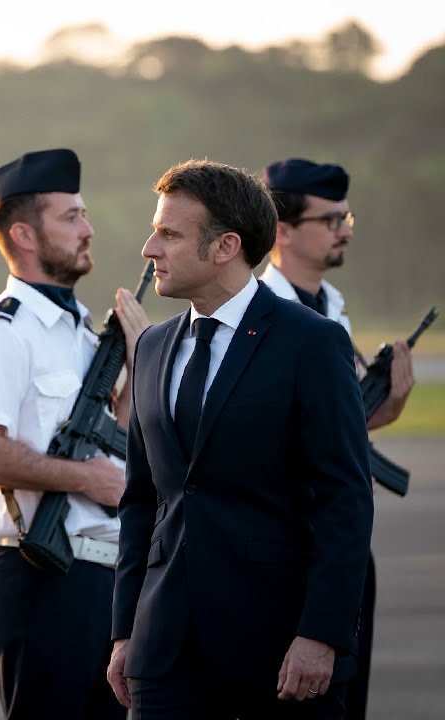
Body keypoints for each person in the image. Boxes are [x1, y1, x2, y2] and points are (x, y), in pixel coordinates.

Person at [107, 159, 374, 719]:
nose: (149, 247)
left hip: (279, 654)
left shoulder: (312, 343)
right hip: (164, 654)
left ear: (225, 247)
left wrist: (321, 635)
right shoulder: (153, 346)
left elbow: (344, 500)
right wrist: (126, 630)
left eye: (169, 233)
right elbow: (142, 500)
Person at [0, 148, 148, 720]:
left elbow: (118, 436)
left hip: (102, 575)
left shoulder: (77, 331)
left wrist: (137, 367)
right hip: (41, 575)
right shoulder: (5, 332)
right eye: (70, 217)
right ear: (25, 235)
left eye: (83, 215)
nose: (88, 229)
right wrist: (84, 477)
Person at [260, 157, 417, 719]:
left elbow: (326, 438)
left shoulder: (333, 313)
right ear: (281, 231)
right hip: (278, 550)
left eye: (347, 217)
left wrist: (379, 410)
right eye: (330, 220)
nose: (345, 229)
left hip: (340, 549)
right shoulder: (259, 314)